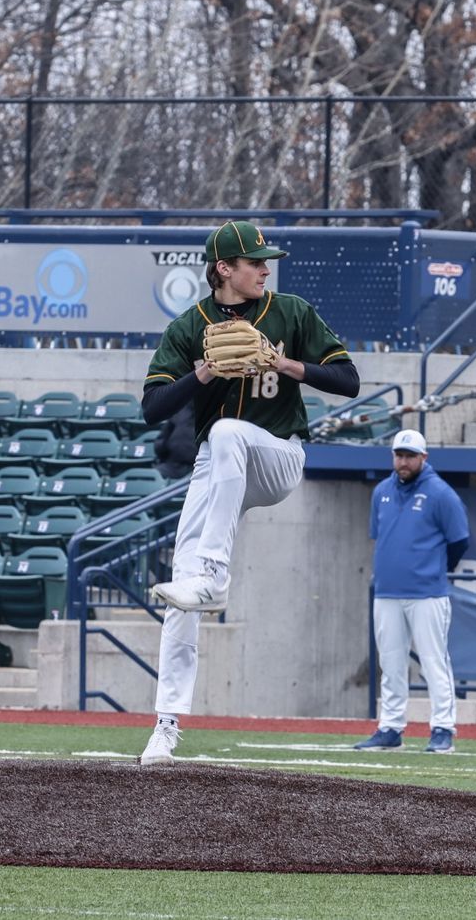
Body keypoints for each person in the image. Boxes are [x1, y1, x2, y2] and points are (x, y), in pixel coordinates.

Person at [140, 219, 360, 765]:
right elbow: (152, 409)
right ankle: (165, 727)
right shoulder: (190, 325)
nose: (266, 268)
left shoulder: (290, 312)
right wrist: (206, 374)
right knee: (180, 588)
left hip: (279, 456)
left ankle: (215, 575)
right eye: (254, 261)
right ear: (223, 269)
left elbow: (349, 380)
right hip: (218, 470)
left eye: (266, 261)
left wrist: (286, 364)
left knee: (227, 431)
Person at [354, 428, 469, 755]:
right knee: (390, 662)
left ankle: (443, 729)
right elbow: (379, 536)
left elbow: (459, 541)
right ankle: (390, 728)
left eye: (410, 456)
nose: (403, 462)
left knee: (435, 662)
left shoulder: (441, 493)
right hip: (387, 590)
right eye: (399, 455)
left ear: (423, 458)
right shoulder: (381, 491)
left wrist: (433, 568)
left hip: (428, 593)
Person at [154, 400, 197, 480]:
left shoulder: (215, 413)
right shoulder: (179, 410)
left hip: (197, 468)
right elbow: (161, 442)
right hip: (172, 465)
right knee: (153, 476)